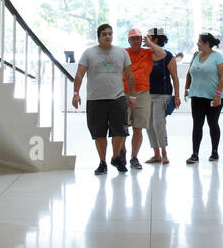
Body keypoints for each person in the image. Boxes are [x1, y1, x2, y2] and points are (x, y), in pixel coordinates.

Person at [72, 23, 136, 174]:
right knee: (99, 133)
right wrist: (76, 93)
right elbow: (80, 74)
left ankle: (115, 157)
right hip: (95, 100)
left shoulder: (121, 53)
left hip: (117, 98)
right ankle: (102, 162)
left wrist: (132, 96)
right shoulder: (89, 53)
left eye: (110, 34)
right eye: (105, 34)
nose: (108, 36)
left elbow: (129, 76)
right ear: (99, 37)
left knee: (120, 131)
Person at [122, 28, 167, 170]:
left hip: (142, 94)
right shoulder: (124, 53)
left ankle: (134, 158)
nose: (136, 41)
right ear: (129, 40)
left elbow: (163, 54)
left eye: (138, 38)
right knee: (122, 128)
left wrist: (149, 43)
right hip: (124, 92)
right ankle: (121, 154)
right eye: (133, 38)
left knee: (138, 128)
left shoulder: (148, 53)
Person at [184, 33, 223, 164]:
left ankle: (214, 152)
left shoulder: (218, 57)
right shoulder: (196, 55)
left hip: (214, 97)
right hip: (197, 95)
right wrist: (186, 88)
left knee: (212, 123)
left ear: (207, 43)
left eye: (199, 41)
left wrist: (218, 95)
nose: (197, 44)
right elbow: (189, 72)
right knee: (197, 124)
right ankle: (195, 154)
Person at [144, 32, 181, 164]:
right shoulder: (146, 55)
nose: (145, 38)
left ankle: (164, 153)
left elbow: (175, 78)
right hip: (147, 95)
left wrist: (177, 96)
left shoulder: (167, 56)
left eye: (148, 36)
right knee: (148, 125)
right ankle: (156, 154)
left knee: (158, 123)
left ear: (155, 39)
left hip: (162, 95)